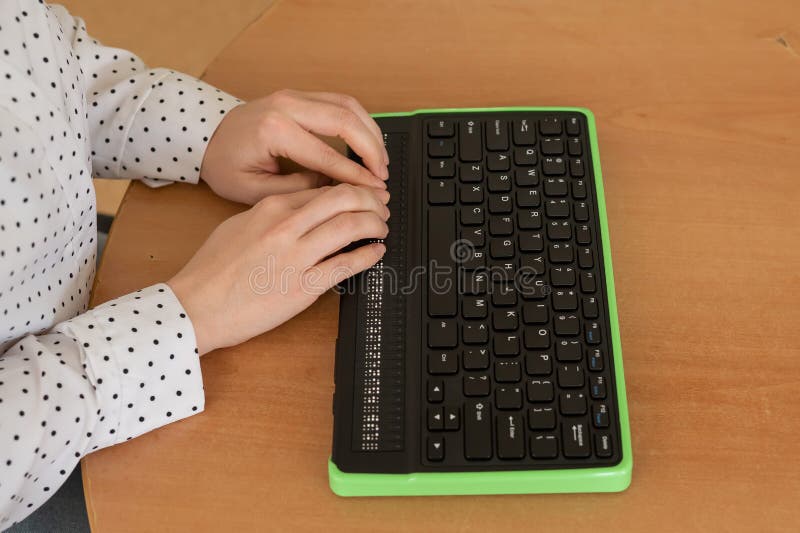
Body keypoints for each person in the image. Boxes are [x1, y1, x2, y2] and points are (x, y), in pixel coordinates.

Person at [0, 1, 391, 528]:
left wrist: (208, 132)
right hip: (45, 462)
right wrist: (189, 315)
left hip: (81, 288)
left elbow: (45, 65)